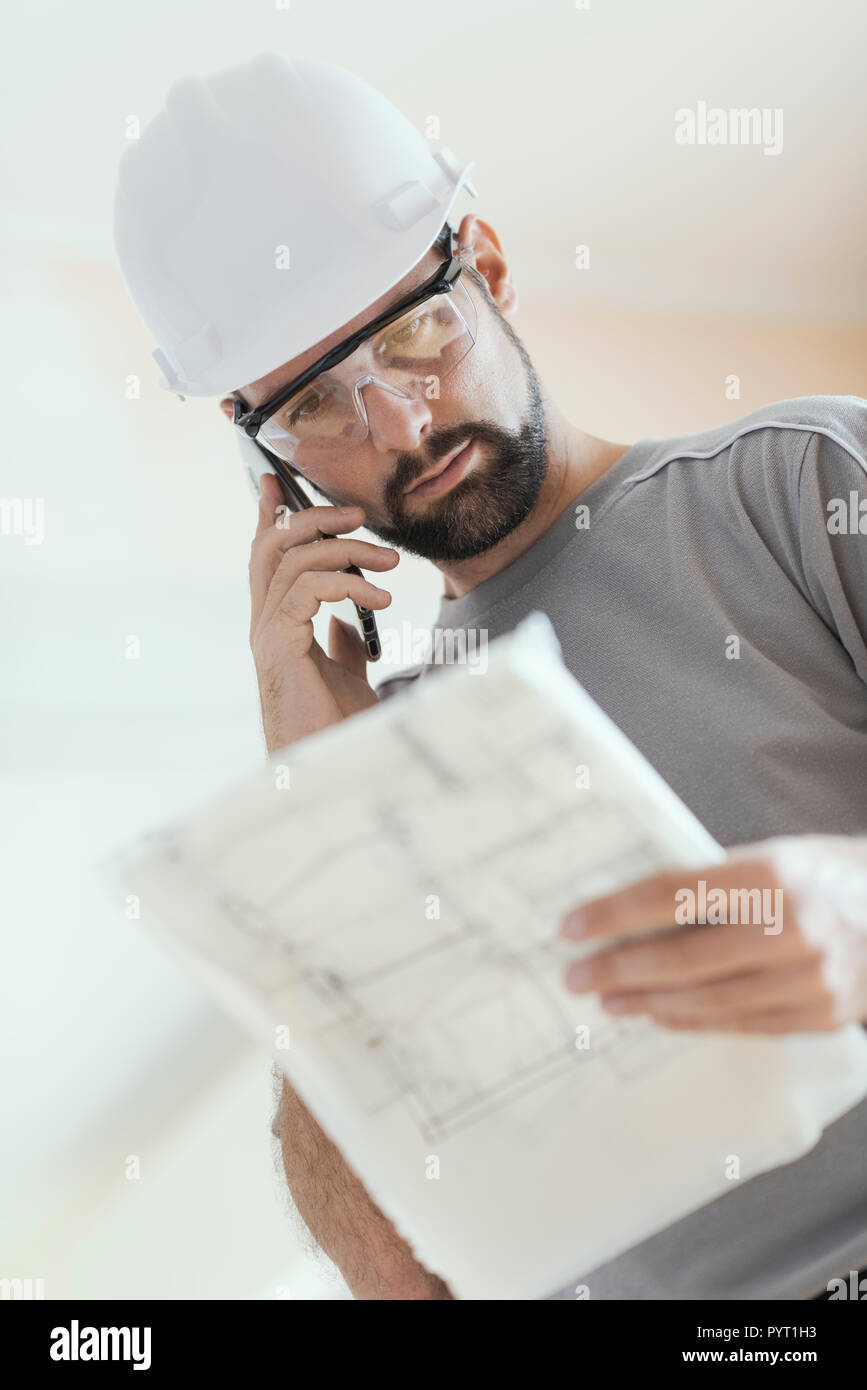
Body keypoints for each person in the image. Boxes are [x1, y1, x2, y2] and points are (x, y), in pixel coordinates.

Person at [115, 52, 867, 1302]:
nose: (401, 426)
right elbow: (404, 1281)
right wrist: (320, 792)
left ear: (491, 265)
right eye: (316, 408)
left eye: (416, 333)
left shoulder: (796, 488)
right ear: (264, 458)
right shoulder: (391, 763)